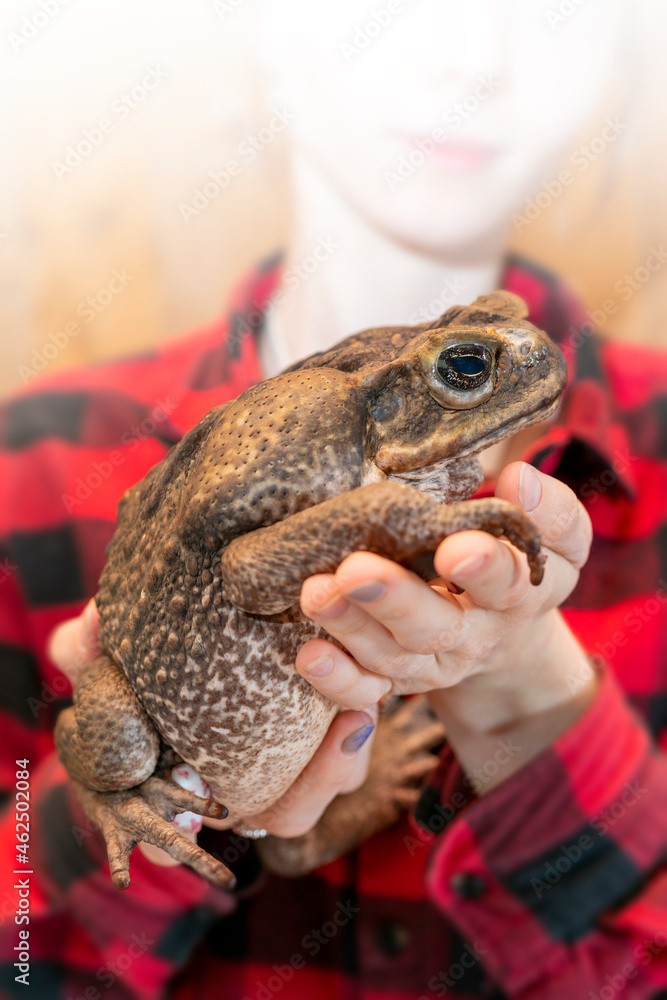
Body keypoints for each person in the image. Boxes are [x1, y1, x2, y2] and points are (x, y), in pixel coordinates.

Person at [1, 1, 666, 997]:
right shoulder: (39, 460)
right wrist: (138, 811)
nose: (470, 59)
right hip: (152, 694)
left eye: (553, 12)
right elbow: (18, 963)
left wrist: (531, 705)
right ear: (265, 30)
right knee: (110, 730)